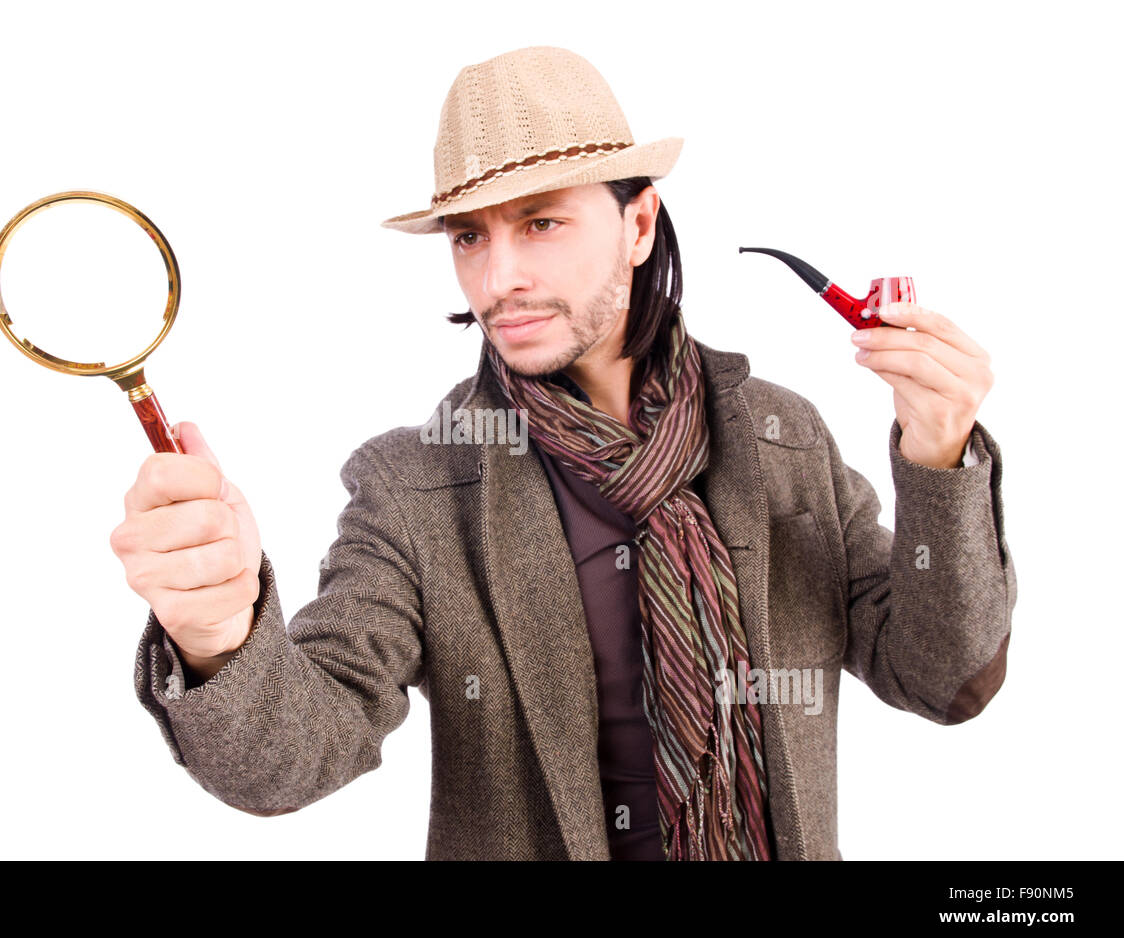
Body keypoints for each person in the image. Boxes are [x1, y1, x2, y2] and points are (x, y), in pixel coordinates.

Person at [109, 46, 1015, 860]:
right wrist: (220, 631)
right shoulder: (416, 485)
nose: (497, 278)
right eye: (471, 236)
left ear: (639, 224)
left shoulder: (784, 440)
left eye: (540, 223)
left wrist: (939, 459)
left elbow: (942, 674)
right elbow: (296, 756)